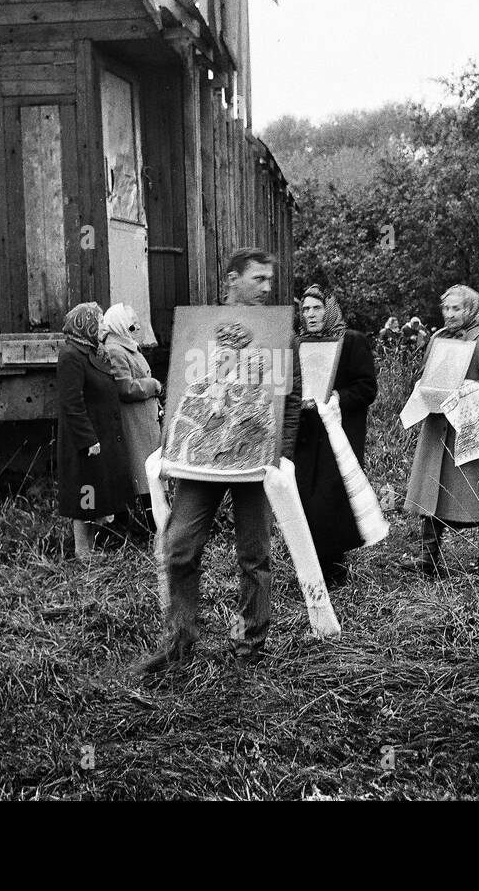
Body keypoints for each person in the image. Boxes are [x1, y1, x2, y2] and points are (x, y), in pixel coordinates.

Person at [138, 247, 302, 673]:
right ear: (232, 280)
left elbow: (290, 401)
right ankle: (179, 641)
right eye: (258, 279)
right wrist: (173, 444)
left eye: (270, 279)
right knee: (180, 546)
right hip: (202, 464)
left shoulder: (280, 334)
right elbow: (182, 399)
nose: (267, 287)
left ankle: (252, 643)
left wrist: (280, 455)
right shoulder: (200, 331)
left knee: (254, 554)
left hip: (254, 463)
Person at [405, 285, 479, 574]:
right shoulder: (437, 339)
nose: (449, 315)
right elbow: (427, 374)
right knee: (434, 488)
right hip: (441, 427)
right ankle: (428, 557)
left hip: (474, 428)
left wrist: (470, 389)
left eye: (456, 308)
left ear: (470, 309)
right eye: (445, 309)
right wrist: (425, 388)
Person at [293, 285, 378, 590]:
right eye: (305, 309)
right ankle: (312, 565)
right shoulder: (298, 344)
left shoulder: (351, 341)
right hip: (305, 435)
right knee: (305, 496)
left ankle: (335, 567)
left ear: (328, 310)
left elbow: (367, 387)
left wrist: (337, 398)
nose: (311, 315)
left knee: (331, 498)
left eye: (316, 308)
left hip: (338, 432)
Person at [57, 302, 136, 558]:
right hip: (85, 441)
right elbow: (71, 402)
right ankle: (83, 551)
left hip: (100, 435)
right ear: (85, 322)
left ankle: (89, 549)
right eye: (99, 320)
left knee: (98, 492)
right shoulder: (70, 355)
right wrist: (87, 438)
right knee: (85, 495)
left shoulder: (93, 351)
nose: (103, 326)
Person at [100, 303, 164, 527]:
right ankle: (152, 523)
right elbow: (124, 388)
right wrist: (153, 385)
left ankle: (153, 521)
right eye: (132, 321)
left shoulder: (125, 346)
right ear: (119, 322)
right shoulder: (116, 349)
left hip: (142, 420)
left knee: (147, 472)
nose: (136, 324)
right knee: (144, 473)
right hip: (135, 421)